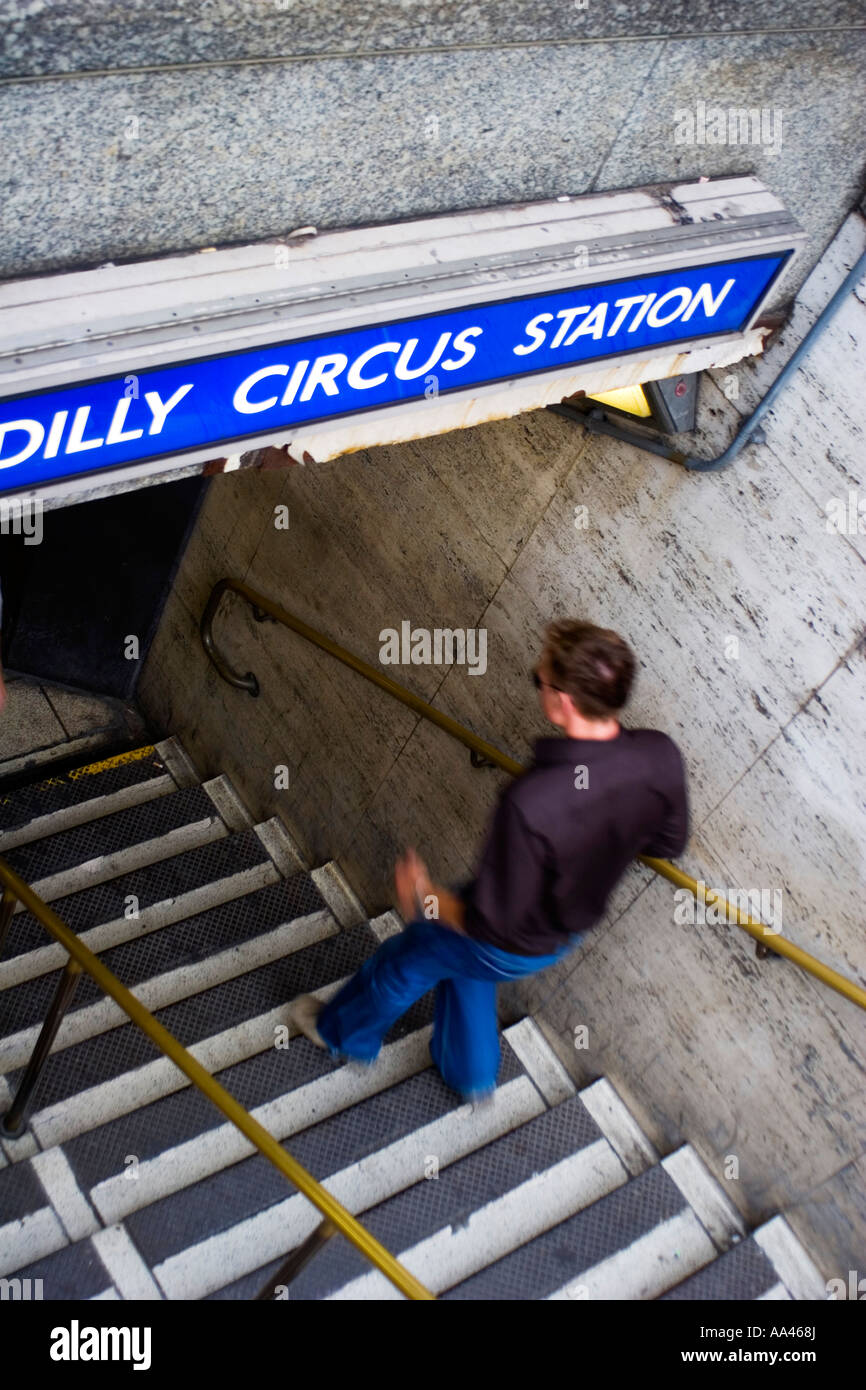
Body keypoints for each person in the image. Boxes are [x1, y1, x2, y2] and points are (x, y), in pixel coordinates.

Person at [287, 619, 689, 1102]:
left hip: (504, 939)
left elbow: (487, 925)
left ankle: (339, 1034)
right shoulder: (660, 755)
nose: (535, 678)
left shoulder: (532, 802)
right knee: (465, 967)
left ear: (562, 702)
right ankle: (472, 1077)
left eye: (537, 677)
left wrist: (423, 896)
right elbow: (668, 842)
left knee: (409, 957)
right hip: (563, 936)